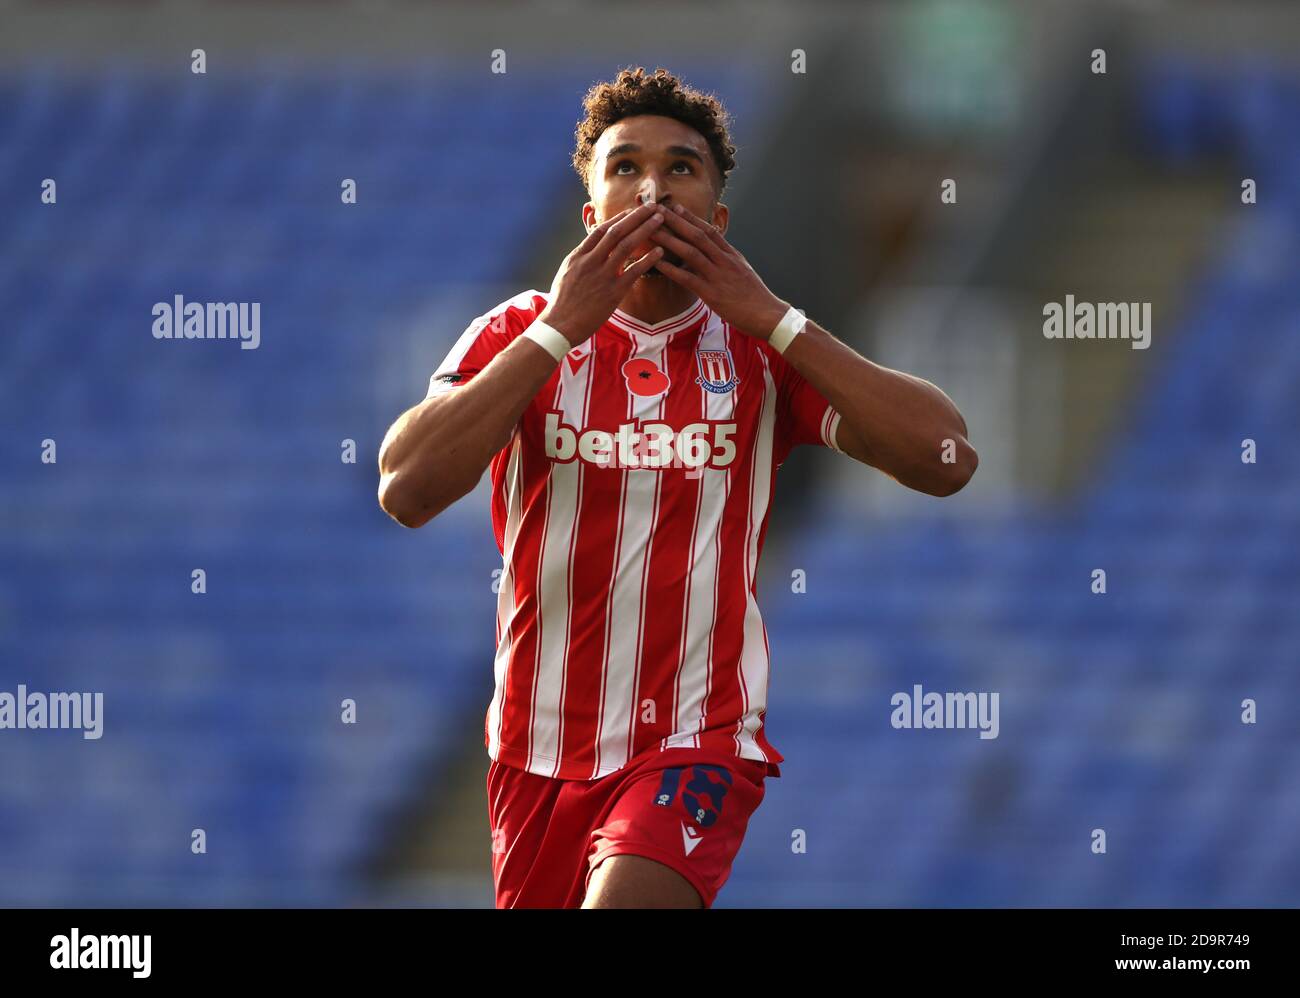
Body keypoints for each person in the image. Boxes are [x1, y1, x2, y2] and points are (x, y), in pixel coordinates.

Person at [378, 66, 977, 908]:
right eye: (624, 167)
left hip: (697, 740)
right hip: (535, 749)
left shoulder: (762, 349)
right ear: (591, 217)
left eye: (681, 168)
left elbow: (948, 457)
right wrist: (559, 330)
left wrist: (773, 315)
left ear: (718, 217)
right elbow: (406, 489)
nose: (652, 186)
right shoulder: (518, 333)